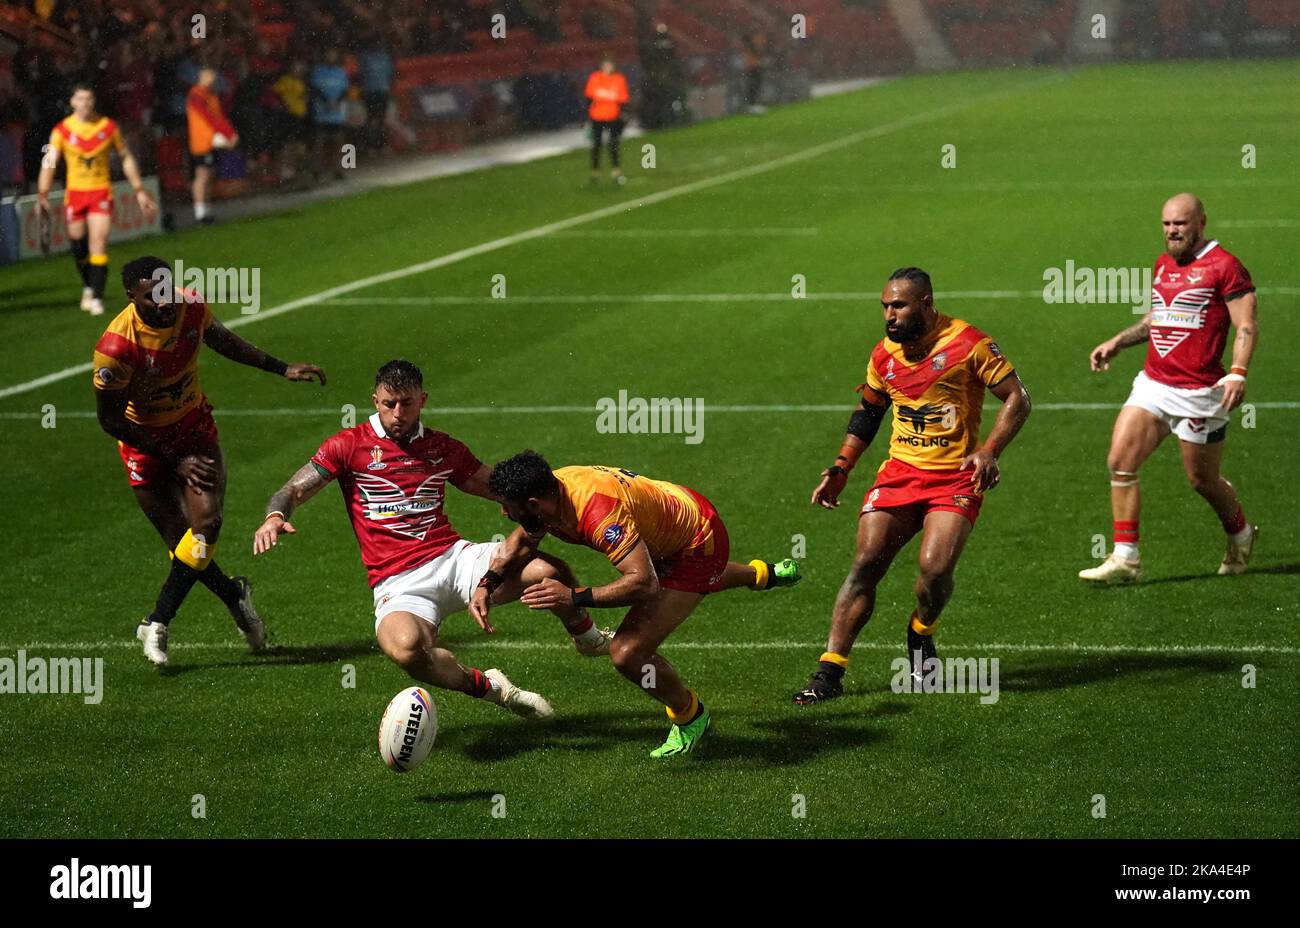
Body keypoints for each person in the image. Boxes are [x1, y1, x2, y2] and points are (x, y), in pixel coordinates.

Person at [252, 361, 609, 718]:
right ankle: (494, 688)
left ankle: (587, 637)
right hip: (398, 582)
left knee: (548, 570)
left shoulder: (442, 448)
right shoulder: (348, 446)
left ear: (422, 400)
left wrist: (547, 504)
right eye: (389, 404)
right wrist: (274, 517)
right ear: (375, 400)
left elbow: (499, 489)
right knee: (407, 651)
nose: (397, 414)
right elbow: (293, 490)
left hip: (454, 560)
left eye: (406, 403)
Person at [794, 268, 1031, 704]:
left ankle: (921, 631)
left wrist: (991, 450)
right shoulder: (884, 354)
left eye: (899, 306)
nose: (889, 315)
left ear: (925, 302)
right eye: (885, 306)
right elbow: (868, 413)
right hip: (901, 474)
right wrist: (840, 468)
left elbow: (1019, 398)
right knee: (866, 563)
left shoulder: (968, 343)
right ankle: (829, 671)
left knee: (934, 571)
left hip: (956, 477)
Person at [484, 453, 801, 757]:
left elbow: (644, 584)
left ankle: (690, 715)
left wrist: (573, 596)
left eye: (505, 507)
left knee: (627, 652)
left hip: (697, 543)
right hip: (672, 521)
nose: (503, 514)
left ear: (533, 504)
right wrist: (489, 582)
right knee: (698, 581)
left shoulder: (597, 514)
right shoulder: (551, 492)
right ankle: (764, 574)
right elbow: (522, 541)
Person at [93, 256, 326, 665]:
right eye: (153, 296)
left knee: (206, 527)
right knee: (184, 549)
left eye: (168, 290)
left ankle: (158, 620)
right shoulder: (116, 348)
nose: (165, 302)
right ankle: (235, 595)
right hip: (144, 444)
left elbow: (223, 341)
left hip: (194, 432)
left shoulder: (190, 308)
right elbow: (109, 420)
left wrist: (280, 367)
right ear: (132, 297)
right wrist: (170, 459)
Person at [1080, 193, 1258, 583]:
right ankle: (1127, 558)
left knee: (1202, 481)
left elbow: (1245, 323)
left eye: (1180, 223)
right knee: (1120, 462)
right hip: (1154, 385)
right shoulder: (1164, 264)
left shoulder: (1225, 266)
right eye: (1167, 224)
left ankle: (1241, 533)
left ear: (1201, 223)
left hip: (1200, 392)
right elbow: (1159, 317)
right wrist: (1118, 341)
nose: (1172, 231)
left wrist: (1239, 371)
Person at [37, 82, 157, 315]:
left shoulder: (108, 127)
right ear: (72, 102)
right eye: (80, 99)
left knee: (98, 242)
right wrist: (43, 193)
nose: (85, 104)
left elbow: (125, 157)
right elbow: (49, 162)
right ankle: (90, 287)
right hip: (75, 194)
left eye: (89, 99)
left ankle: (97, 297)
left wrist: (139, 189)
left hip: (101, 191)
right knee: (78, 246)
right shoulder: (62, 130)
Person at [186, 66, 238, 224]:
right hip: (202, 141)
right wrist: (229, 135)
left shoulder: (210, 95)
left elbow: (219, 117)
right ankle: (200, 213)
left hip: (212, 140)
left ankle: (206, 211)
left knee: (209, 174)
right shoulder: (196, 95)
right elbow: (209, 118)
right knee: (202, 174)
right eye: (212, 76)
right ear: (205, 76)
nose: (214, 80)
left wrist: (229, 133)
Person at [584, 56, 628, 185]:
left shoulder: (619, 79)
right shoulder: (595, 77)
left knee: (613, 144)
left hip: (613, 116)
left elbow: (623, 97)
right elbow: (590, 94)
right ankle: (595, 171)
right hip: (597, 116)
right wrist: (610, 96)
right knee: (596, 145)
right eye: (605, 65)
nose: (607, 68)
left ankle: (616, 171)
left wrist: (604, 96)